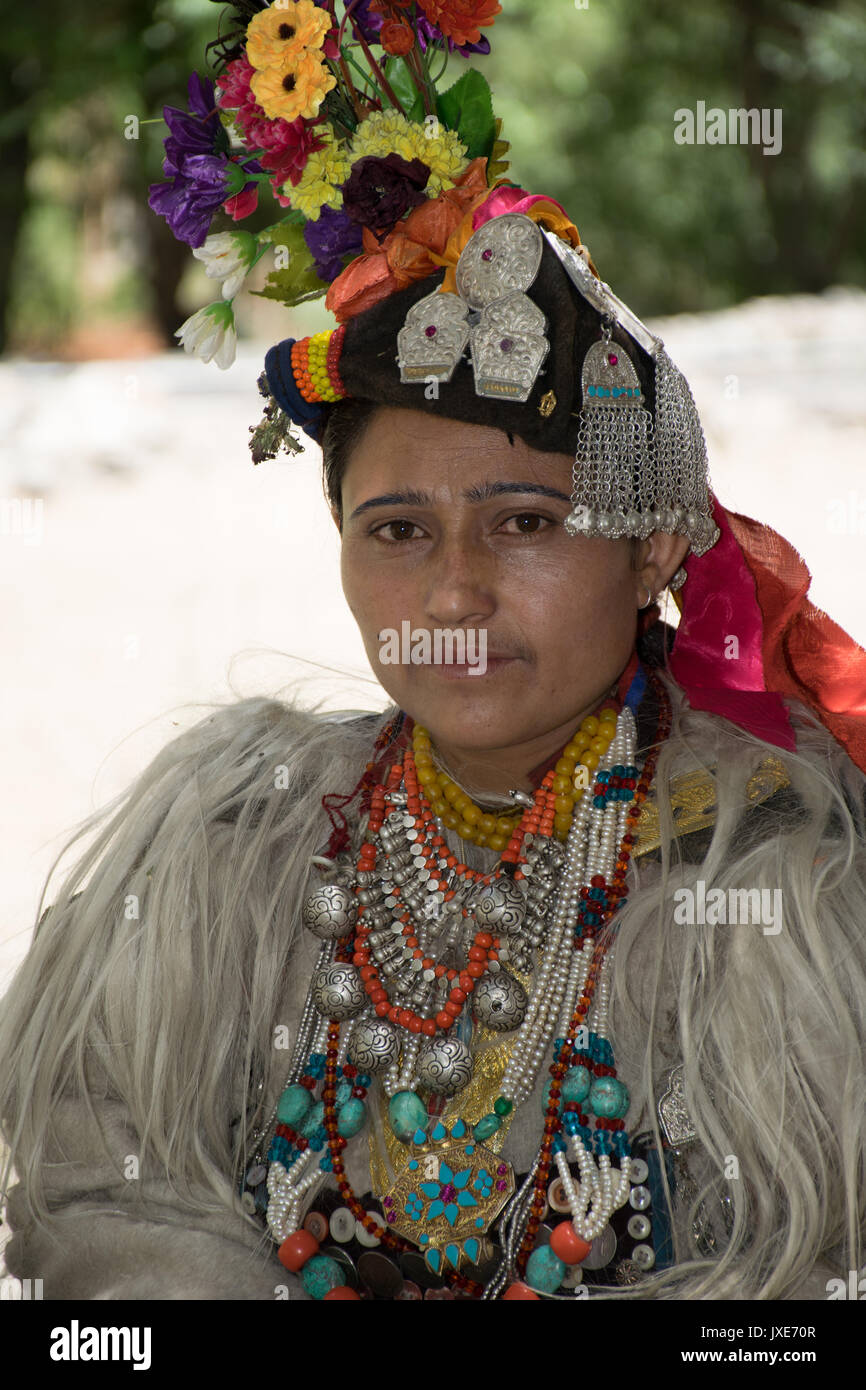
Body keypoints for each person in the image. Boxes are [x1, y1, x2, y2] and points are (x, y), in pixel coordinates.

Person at [2, 0, 865, 1302]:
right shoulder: (228, 850)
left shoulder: (781, 875)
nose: (453, 588)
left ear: (646, 544)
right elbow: (97, 1177)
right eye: (395, 527)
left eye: (524, 521)